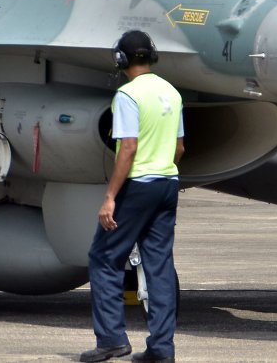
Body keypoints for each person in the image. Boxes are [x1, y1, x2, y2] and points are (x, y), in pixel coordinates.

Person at [81, 30, 185, 363]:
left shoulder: (127, 95)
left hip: (138, 185)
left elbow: (128, 147)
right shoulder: (172, 92)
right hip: (167, 183)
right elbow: (180, 147)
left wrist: (111, 196)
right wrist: (162, 169)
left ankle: (111, 339)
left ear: (121, 60)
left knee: (104, 257)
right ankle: (161, 348)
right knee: (159, 266)